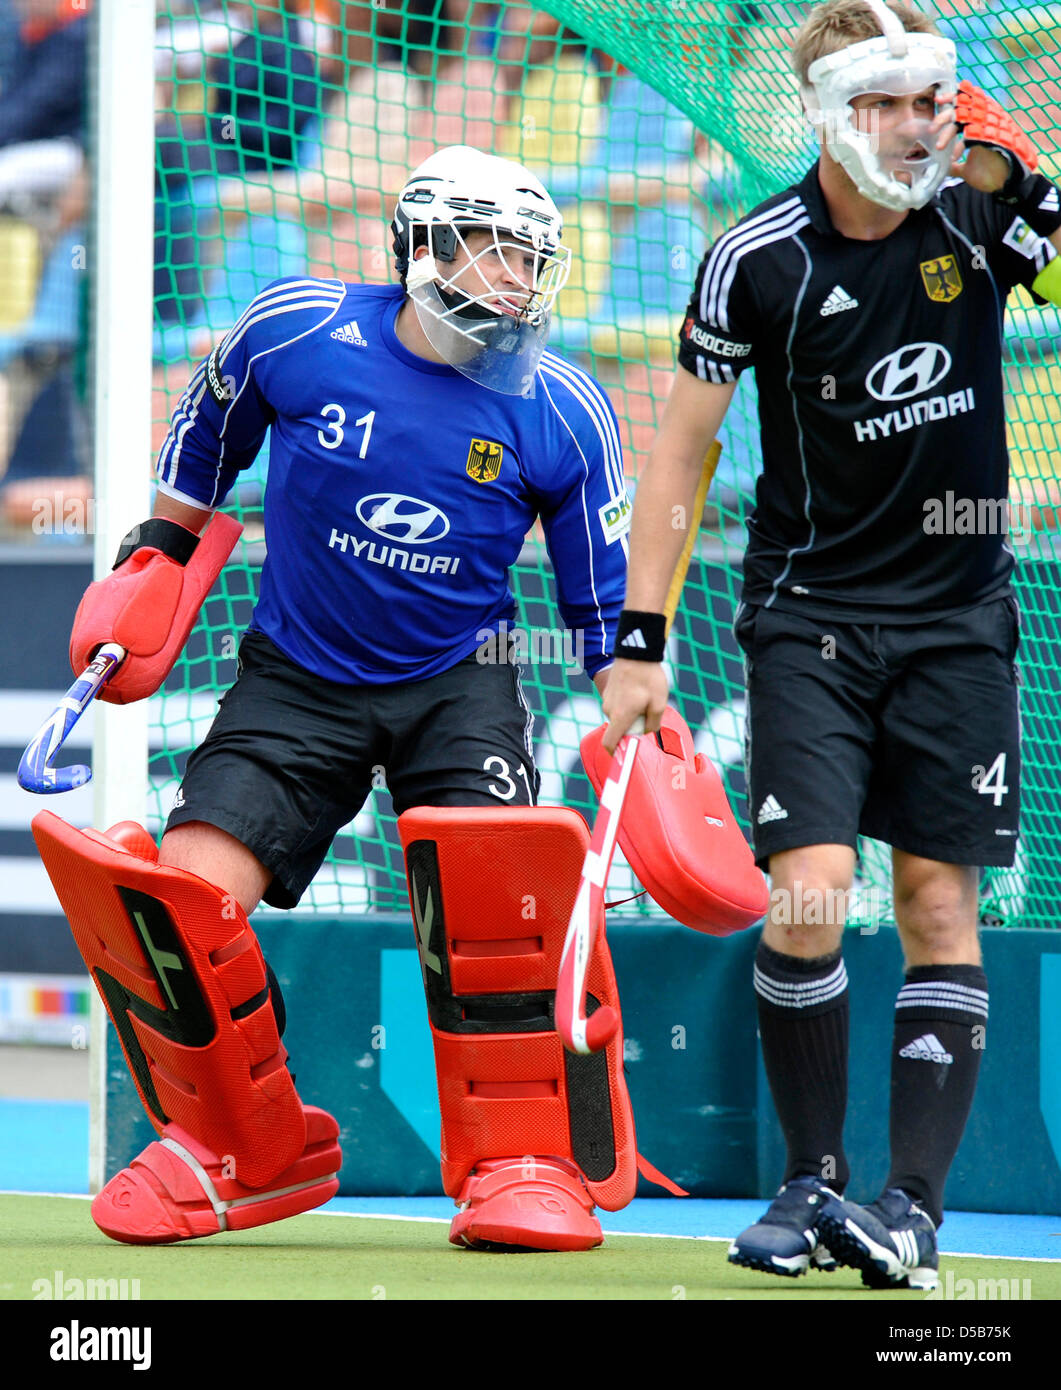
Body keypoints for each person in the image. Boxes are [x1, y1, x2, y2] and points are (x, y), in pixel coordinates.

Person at [58, 143, 638, 1250]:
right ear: (422, 247)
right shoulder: (295, 331)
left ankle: (521, 1161)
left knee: (495, 928)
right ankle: (239, 1145)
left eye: (531, 258)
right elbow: (205, 438)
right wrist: (157, 556)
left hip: (459, 682)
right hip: (296, 674)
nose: (519, 280)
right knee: (184, 905)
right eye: (496, 251)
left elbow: (602, 616)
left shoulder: (564, 410)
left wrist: (633, 730)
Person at [601, 0, 1061, 1290]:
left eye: (932, 102)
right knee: (806, 898)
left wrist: (1033, 184)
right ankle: (809, 1181)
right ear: (828, 115)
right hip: (808, 620)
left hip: (960, 627)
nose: (920, 128)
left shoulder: (974, 215)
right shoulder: (754, 258)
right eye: (892, 106)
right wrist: (638, 637)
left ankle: (910, 1209)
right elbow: (680, 448)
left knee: (933, 903)